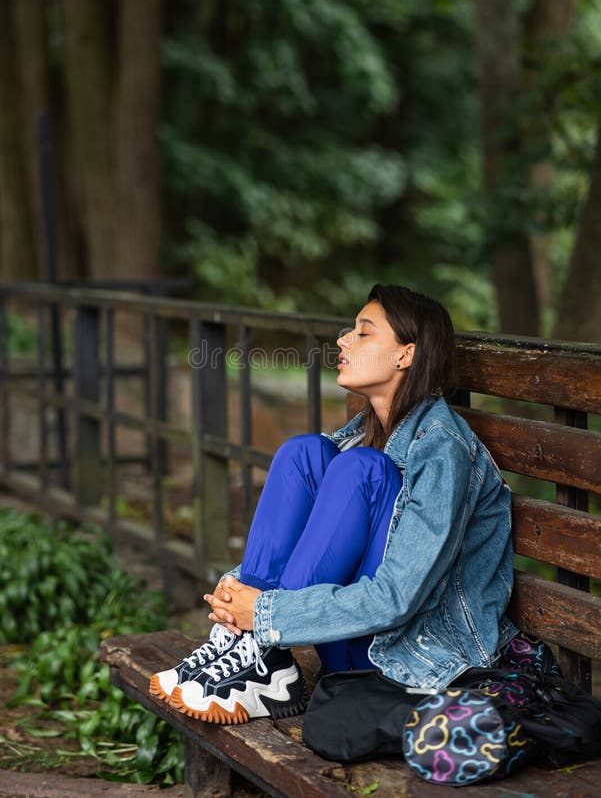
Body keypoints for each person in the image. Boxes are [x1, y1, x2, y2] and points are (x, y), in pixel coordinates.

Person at [149, 284, 517, 725]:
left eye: (363, 333)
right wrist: (238, 596)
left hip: (406, 654)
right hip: (349, 637)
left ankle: (263, 650)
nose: (343, 340)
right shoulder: (364, 433)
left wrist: (264, 613)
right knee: (304, 453)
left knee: (361, 469)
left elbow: (396, 599)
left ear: (405, 356)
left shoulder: (442, 451)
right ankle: (257, 653)